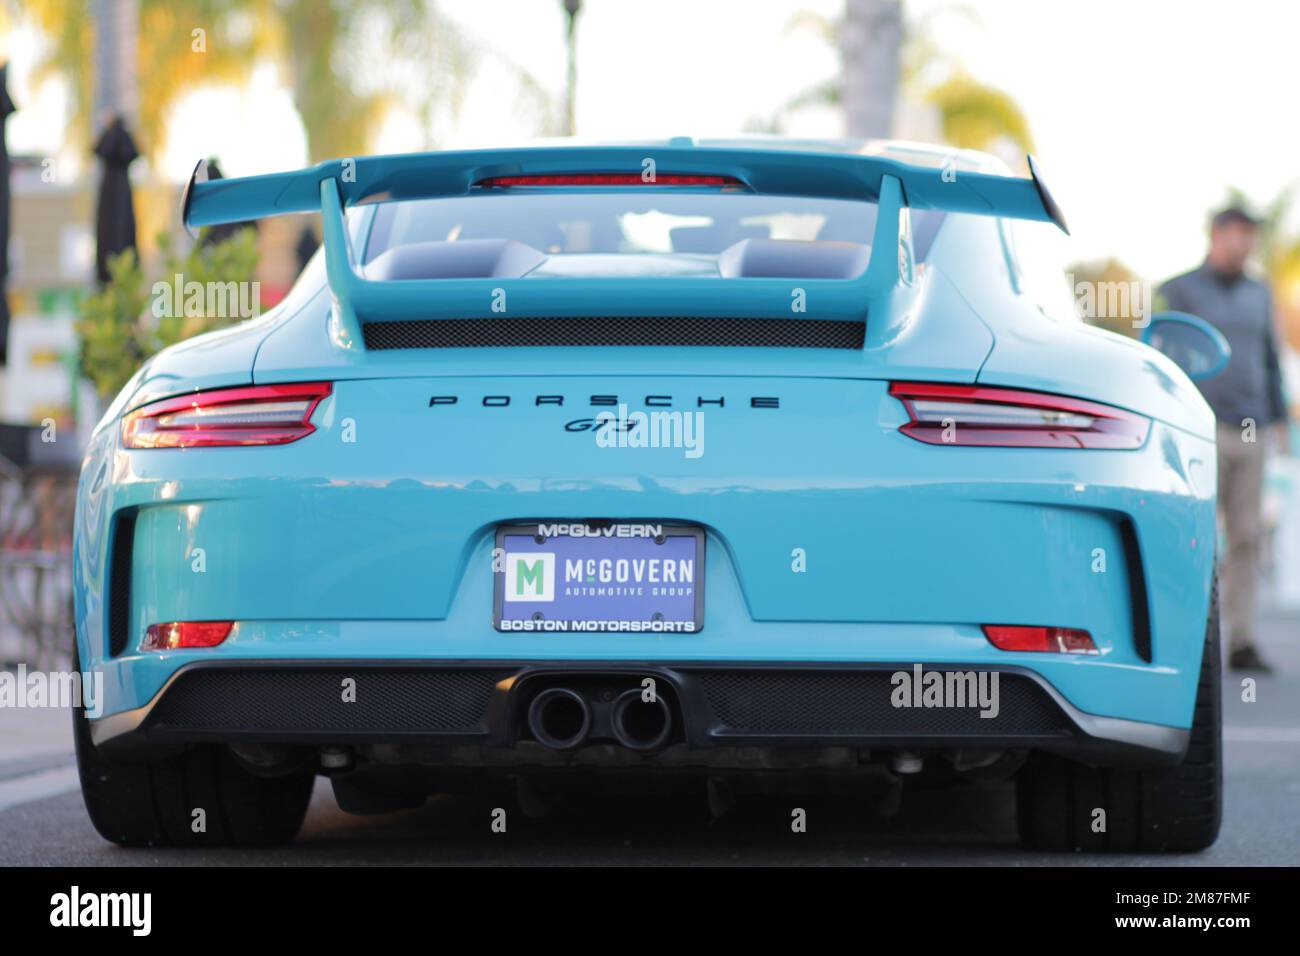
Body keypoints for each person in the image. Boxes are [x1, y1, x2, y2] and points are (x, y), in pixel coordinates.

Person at [1159, 206, 1290, 672]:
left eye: (1250, 236)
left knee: (1247, 536)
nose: (1244, 244)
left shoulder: (1259, 293)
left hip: (1250, 427)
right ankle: (1187, 638)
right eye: (1237, 234)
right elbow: (1162, 353)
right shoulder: (1179, 289)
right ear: (1216, 235)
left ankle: (1242, 639)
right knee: (1193, 534)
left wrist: (1278, 418)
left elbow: (1270, 355)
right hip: (1198, 429)